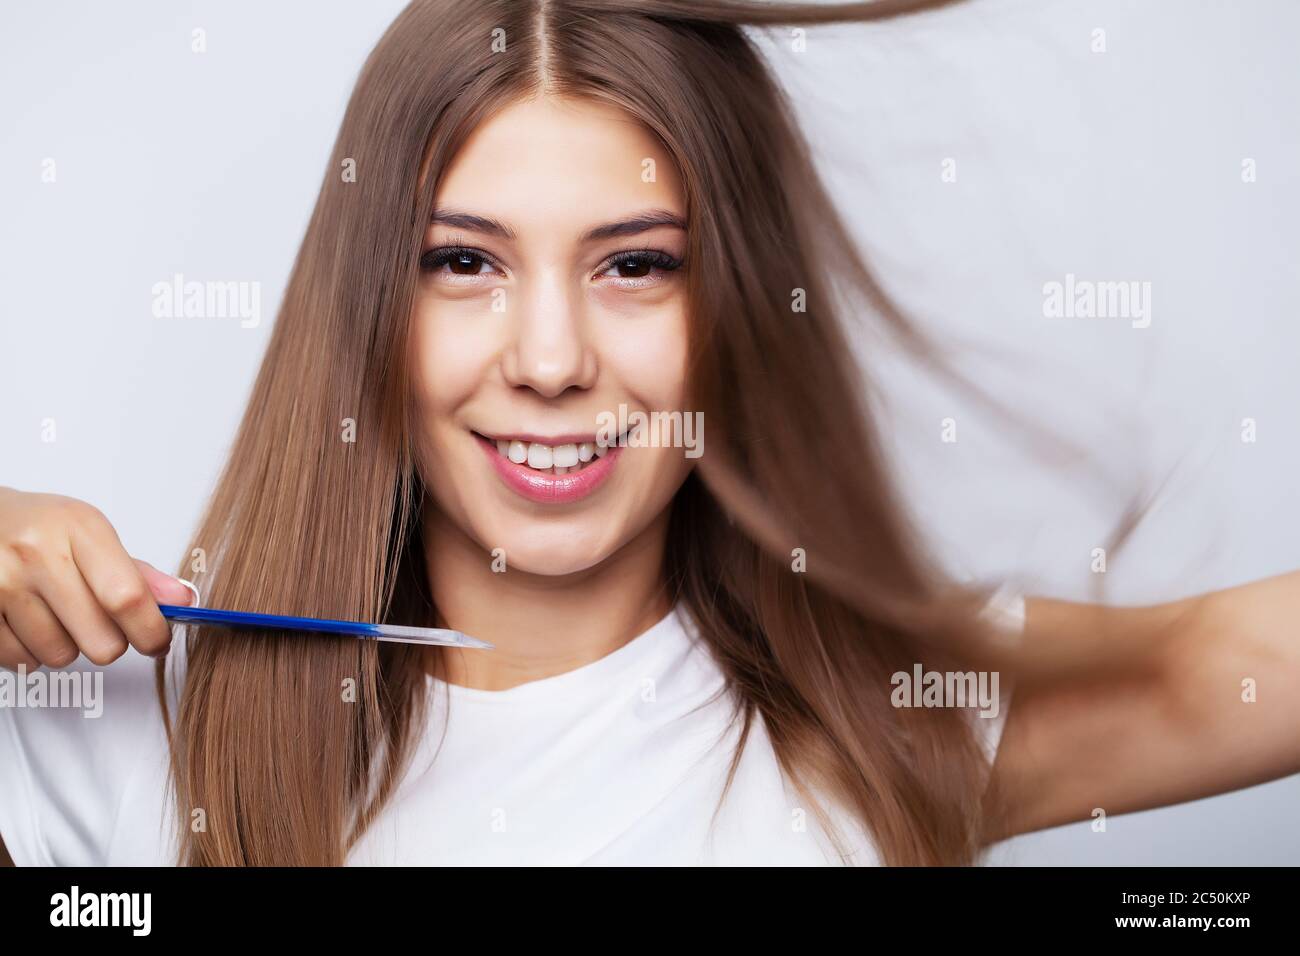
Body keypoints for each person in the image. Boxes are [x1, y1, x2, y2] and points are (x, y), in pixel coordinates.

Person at [1, 0, 1297, 866]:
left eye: (636, 268)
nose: (552, 362)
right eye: (462, 261)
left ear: (736, 301)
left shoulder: (895, 707)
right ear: (367, 312)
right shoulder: (126, 724)